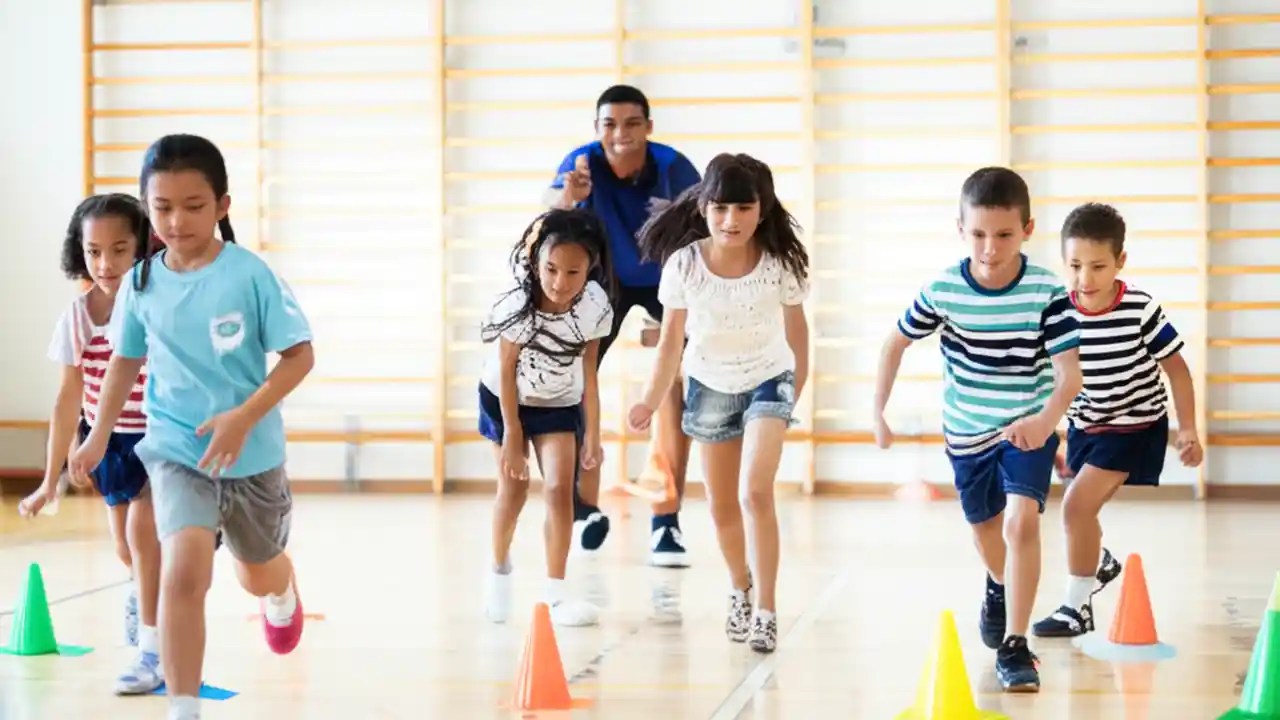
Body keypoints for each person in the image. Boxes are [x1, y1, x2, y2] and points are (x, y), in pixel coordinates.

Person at [69, 134, 312, 720]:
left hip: (251, 455)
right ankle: (183, 707)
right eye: (162, 207)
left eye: (193, 206)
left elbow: (300, 356)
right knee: (183, 572)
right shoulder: (141, 282)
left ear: (223, 205)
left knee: (256, 573)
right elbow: (125, 358)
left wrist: (242, 416)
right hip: (175, 448)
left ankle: (282, 591)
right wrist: (98, 433)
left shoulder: (250, 275)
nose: (176, 221)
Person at [873, 167, 1083, 691]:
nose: (991, 247)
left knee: (1021, 524)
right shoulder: (944, 289)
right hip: (966, 432)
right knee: (988, 531)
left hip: (1025, 428)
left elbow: (1070, 375)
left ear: (1028, 230)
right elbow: (894, 342)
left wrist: (1044, 423)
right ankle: (998, 583)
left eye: (1005, 234)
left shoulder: (1046, 291)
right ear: (961, 229)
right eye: (979, 234)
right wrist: (878, 409)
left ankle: (1015, 646)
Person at [627, 153, 810, 654]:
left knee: (755, 492)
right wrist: (650, 398)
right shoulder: (684, 265)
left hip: (769, 380)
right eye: (720, 208)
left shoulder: (782, 264)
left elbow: (798, 335)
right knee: (723, 506)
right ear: (703, 207)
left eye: (744, 208)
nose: (731, 220)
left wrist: (794, 393)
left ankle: (768, 611)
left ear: (762, 209)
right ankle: (741, 588)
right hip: (709, 385)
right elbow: (670, 343)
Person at [547, 84, 702, 566]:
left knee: (672, 391)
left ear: (648, 128)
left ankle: (666, 522)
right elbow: (547, 224)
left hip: (666, 281)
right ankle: (585, 509)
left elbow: (704, 231)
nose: (621, 134)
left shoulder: (674, 167)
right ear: (597, 130)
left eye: (632, 124)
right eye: (609, 125)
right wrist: (568, 199)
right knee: (572, 382)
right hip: (605, 281)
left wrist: (688, 312)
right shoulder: (581, 163)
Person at [1032, 202, 1203, 638]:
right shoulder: (1058, 311)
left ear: (1119, 262)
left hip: (1135, 425)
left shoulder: (1140, 310)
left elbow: (1177, 369)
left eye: (1097, 266)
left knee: (1074, 507)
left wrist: (1188, 430)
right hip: (1086, 426)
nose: (1084, 279)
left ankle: (1077, 609)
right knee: (1080, 514)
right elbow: (1049, 375)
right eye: (1074, 265)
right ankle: (1100, 562)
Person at [19, 193, 164, 695]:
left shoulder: (156, 301)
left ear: (143, 246)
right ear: (78, 251)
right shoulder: (78, 317)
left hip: (159, 436)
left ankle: (154, 644)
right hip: (106, 444)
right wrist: (49, 482)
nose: (106, 264)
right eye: (94, 251)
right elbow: (66, 399)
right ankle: (142, 592)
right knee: (126, 547)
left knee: (145, 537)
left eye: (120, 250)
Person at [479, 208, 615, 627]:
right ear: (536, 262)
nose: (559, 283)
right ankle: (499, 571)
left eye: (573, 273)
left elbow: (589, 370)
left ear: (589, 270)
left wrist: (592, 432)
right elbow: (505, 369)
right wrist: (513, 435)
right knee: (513, 490)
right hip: (508, 401)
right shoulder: (518, 305)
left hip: (558, 401)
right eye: (551, 269)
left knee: (560, 489)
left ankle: (556, 593)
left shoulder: (593, 305)